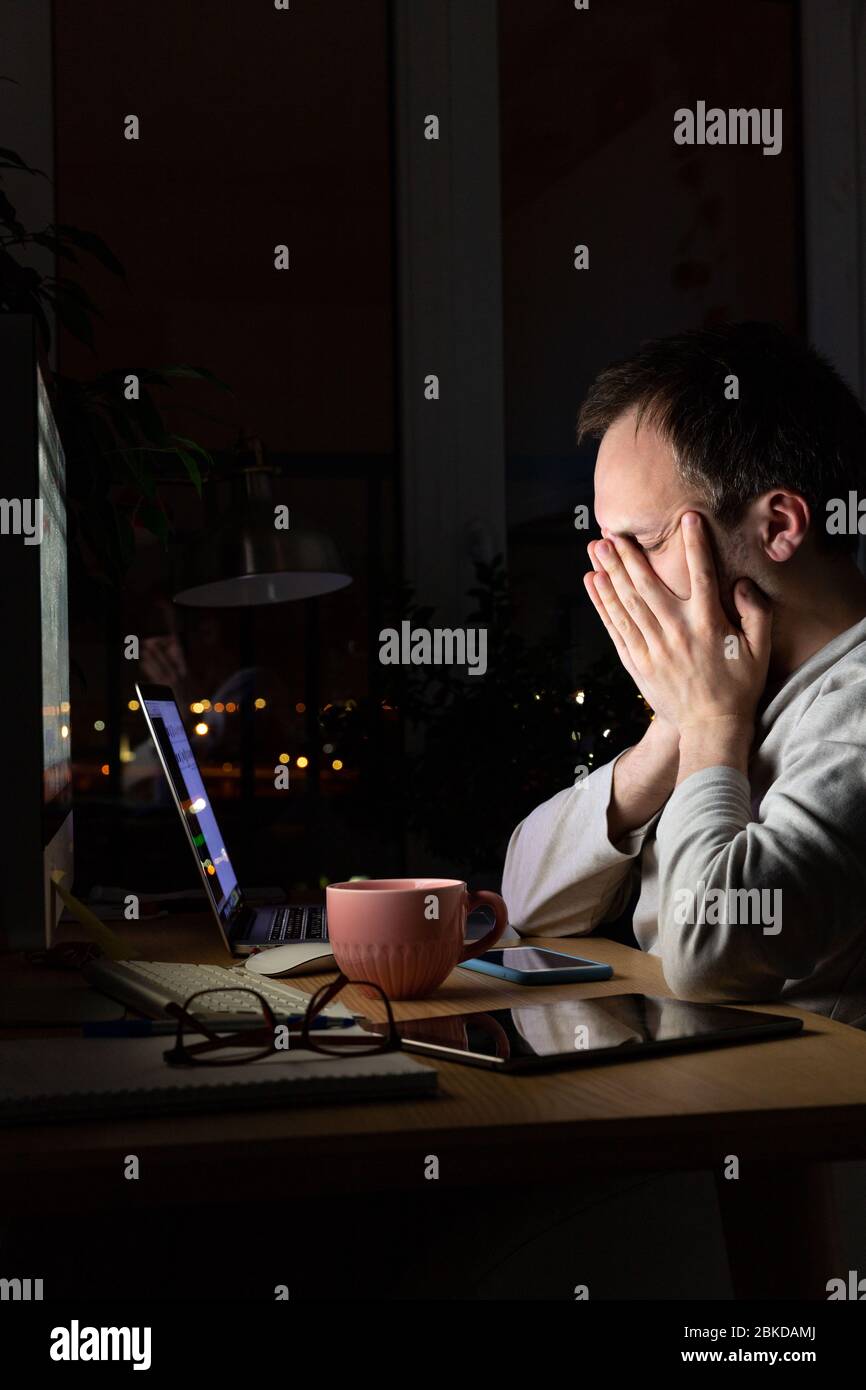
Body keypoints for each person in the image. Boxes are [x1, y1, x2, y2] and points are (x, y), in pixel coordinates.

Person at [502, 321, 866, 1028]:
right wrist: (671, 735)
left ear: (779, 525)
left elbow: (711, 956)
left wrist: (710, 725)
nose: (617, 581)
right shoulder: (734, 684)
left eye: (642, 543)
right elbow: (523, 901)